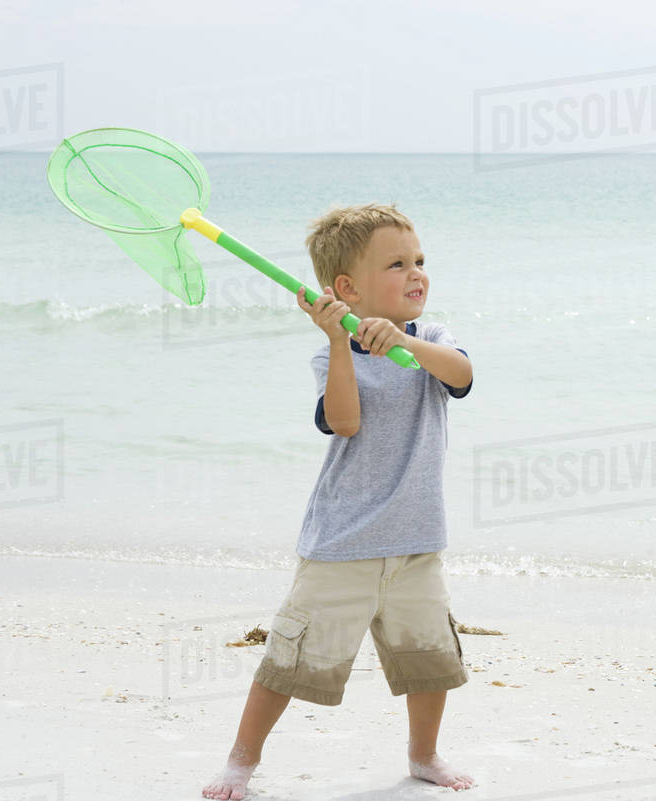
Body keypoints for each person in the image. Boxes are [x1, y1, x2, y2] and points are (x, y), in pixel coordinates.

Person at [202, 204, 475, 799]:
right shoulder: (333, 354)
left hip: (417, 542)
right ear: (346, 289)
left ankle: (424, 755)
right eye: (397, 264)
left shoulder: (430, 338)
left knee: (429, 659)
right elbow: (345, 422)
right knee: (290, 661)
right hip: (344, 544)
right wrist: (339, 338)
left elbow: (461, 375)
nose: (416, 274)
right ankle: (240, 762)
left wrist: (402, 340)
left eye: (420, 261)